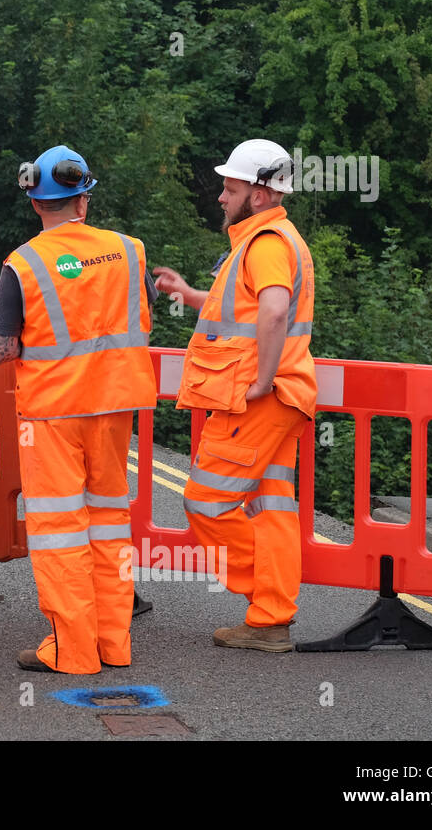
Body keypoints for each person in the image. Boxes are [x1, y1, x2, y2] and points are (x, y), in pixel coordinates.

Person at [0, 145, 157, 674]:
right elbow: (143, 315)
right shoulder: (130, 250)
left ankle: (73, 651)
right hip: (115, 404)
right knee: (108, 522)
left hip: (53, 414)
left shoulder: (24, 262)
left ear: (37, 203)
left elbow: (0, 348)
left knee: (59, 530)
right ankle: (113, 644)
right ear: (83, 199)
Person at [152, 138, 316, 652]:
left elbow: (272, 311)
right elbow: (245, 309)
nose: (221, 197)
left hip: (260, 398)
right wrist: (188, 294)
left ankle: (266, 605)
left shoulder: (266, 243)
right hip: (283, 397)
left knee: (205, 502)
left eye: (231, 188)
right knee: (271, 509)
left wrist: (262, 380)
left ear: (261, 195)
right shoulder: (268, 240)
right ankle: (270, 618)